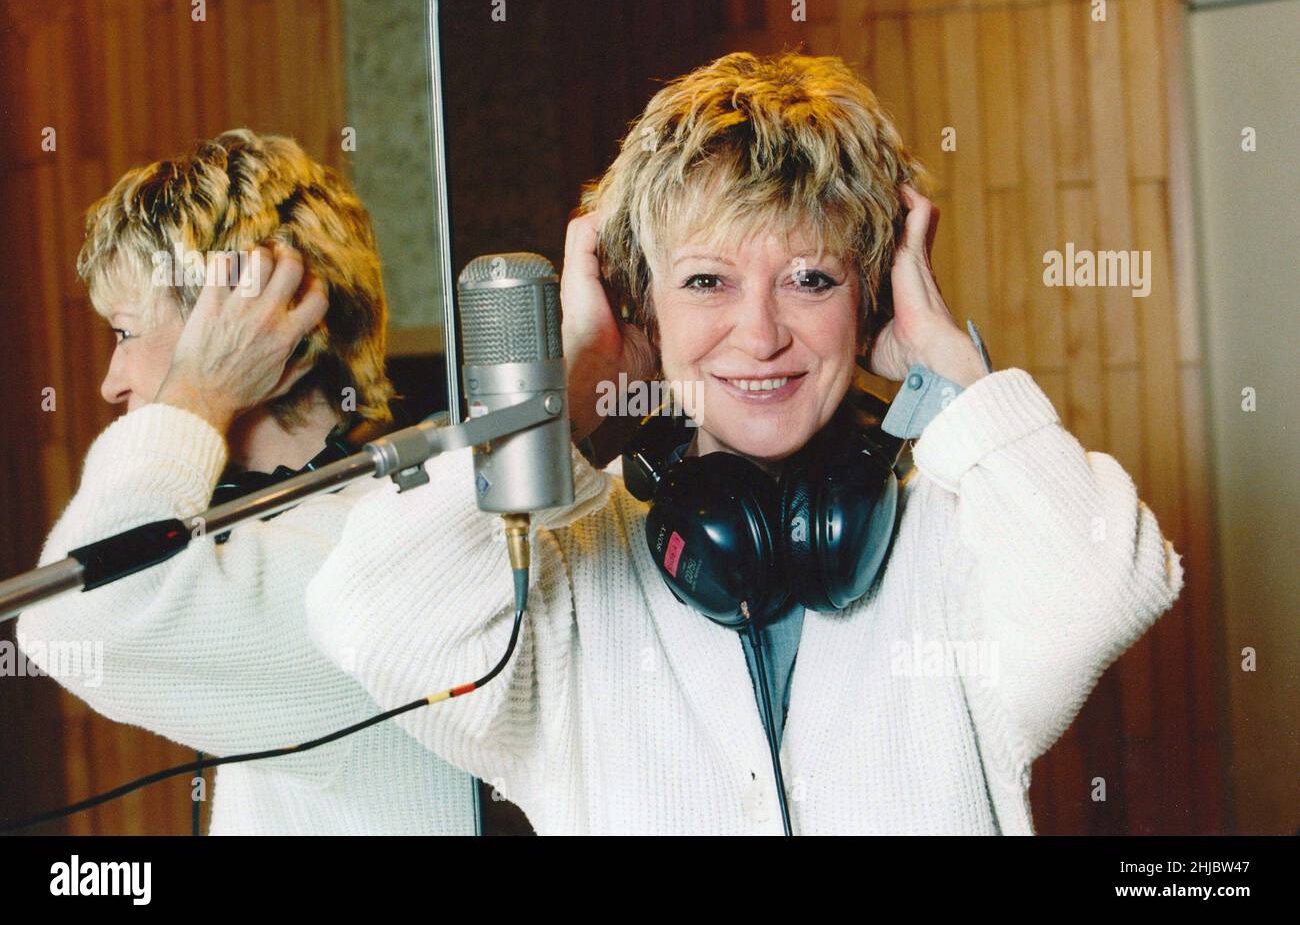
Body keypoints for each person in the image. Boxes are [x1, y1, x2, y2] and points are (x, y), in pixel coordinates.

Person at [304, 53, 1185, 834]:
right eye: (706, 281)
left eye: (810, 278)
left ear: (872, 297)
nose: (759, 335)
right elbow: (364, 615)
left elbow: (1107, 584)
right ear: (641, 306)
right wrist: (568, 396)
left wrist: (951, 375)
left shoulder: (953, 542)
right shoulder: (564, 576)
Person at [17, 129, 477, 834]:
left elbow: (74, 615)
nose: (112, 382)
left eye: (126, 332)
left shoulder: (365, 551)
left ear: (254, 319)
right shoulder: (305, 526)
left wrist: (199, 391)